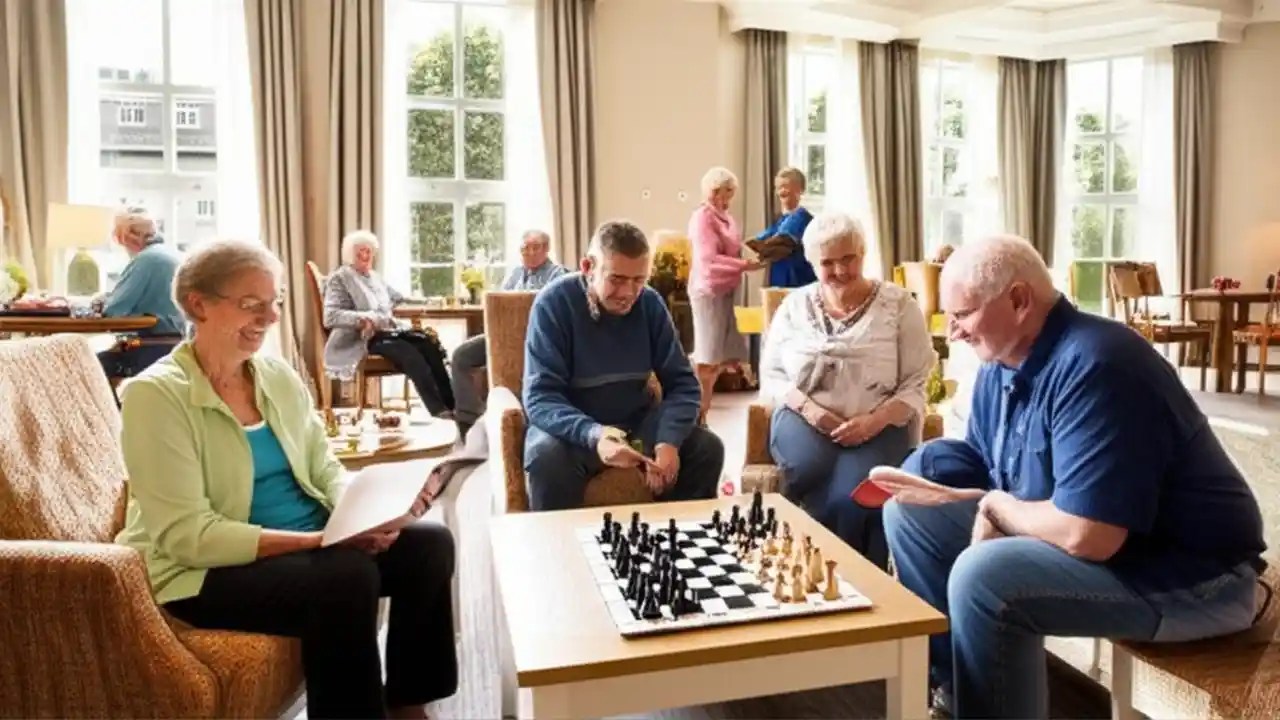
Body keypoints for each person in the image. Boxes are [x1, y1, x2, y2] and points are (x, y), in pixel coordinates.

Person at [877, 235, 1268, 720]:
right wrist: (926, 469)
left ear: (1019, 300)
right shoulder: (1002, 361)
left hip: (1192, 578)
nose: (953, 332)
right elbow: (989, 464)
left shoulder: (1099, 364)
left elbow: (1091, 534)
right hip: (1113, 550)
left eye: (964, 315)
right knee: (908, 511)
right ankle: (960, 695)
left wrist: (999, 507)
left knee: (985, 577)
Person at [115, 239, 457, 719]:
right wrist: (321, 541)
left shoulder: (275, 376)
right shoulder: (155, 397)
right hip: (202, 571)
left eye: (274, 302)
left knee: (429, 544)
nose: (271, 317)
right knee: (346, 575)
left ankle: (409, 706)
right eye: (251, 304)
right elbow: (187, 537)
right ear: (199, 305)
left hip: (310, 539)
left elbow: (323, 467)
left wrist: (363, 515)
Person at [759, 212, 932, 570]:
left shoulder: (899, 306)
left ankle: (852, 576)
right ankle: (798, 568)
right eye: (827, 262)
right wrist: (811, 412)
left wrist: (873, 422)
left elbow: (916, 382)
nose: (839, 270)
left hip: (882, 424)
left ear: (864, 253)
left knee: (852, 495)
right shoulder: (793, 307)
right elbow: (773, 375)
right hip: (805, 417)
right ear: (811, 263)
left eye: (848, 258)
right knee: (805, 468)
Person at [522, 220, 725, 511]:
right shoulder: (552, 304)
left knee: (707, 448)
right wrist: (594, 434)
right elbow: (540, 398)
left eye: (638, 280)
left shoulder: (651, 304)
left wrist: (668, 440)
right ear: (588, 267)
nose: (628, 292)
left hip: (637, 428)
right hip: (573, 432)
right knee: (546, 458)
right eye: (616, 279)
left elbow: (683, 384)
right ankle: (559, 552)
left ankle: (674, 546)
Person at [323, 230, 454, 419]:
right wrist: (366, 318)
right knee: (409, 354)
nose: (365, 256)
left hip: (386, 332)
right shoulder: (340, 278)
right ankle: (439, 411)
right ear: (350, 254)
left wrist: (427, 301)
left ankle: (453, 405)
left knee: (428, 344)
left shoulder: (374, 277)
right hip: (361, 339)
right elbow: (330, 316)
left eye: (368, 251)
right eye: (360, 252)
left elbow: (398, 298)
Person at [450, 229, 567, 439]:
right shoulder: (515, 274)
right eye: (525, 248)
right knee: (461, 356)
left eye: (535, 247)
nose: (529, 253)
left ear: (547, 249)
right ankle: (471, 422)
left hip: (538, 340)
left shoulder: (558, 275)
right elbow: (499, 306)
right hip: (502, 338)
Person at [687, 167, 760, 423]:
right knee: (707, 357)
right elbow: (708, 259)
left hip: (728, 288)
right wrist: (744, 265)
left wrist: (754, 253)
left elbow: (734, 248)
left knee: (718, 359)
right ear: (713, 191)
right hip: (708, 290)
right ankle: (697, 413)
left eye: (731, 192)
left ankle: (701, 411)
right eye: (725, 192)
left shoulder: (726, 217)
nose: (728, 198)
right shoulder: (702, 217)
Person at [96, 208, 186, 382]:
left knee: (91, 363)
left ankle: (109, 408)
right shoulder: (168, 254)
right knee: (115, 348)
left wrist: (102, 303)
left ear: (127, 236)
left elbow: (113, 311)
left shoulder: (145, 260)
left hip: (147, 345)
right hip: (173, 343)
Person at [748, 167, 817, 288]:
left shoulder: (802, 217)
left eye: (786, 186)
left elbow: (780, 242)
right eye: (778, 188)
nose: (781, 191)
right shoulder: (781, 220)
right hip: (779, 279)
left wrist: (764, 248)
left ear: (800, 189)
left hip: (797, 280)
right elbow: (759, 242)